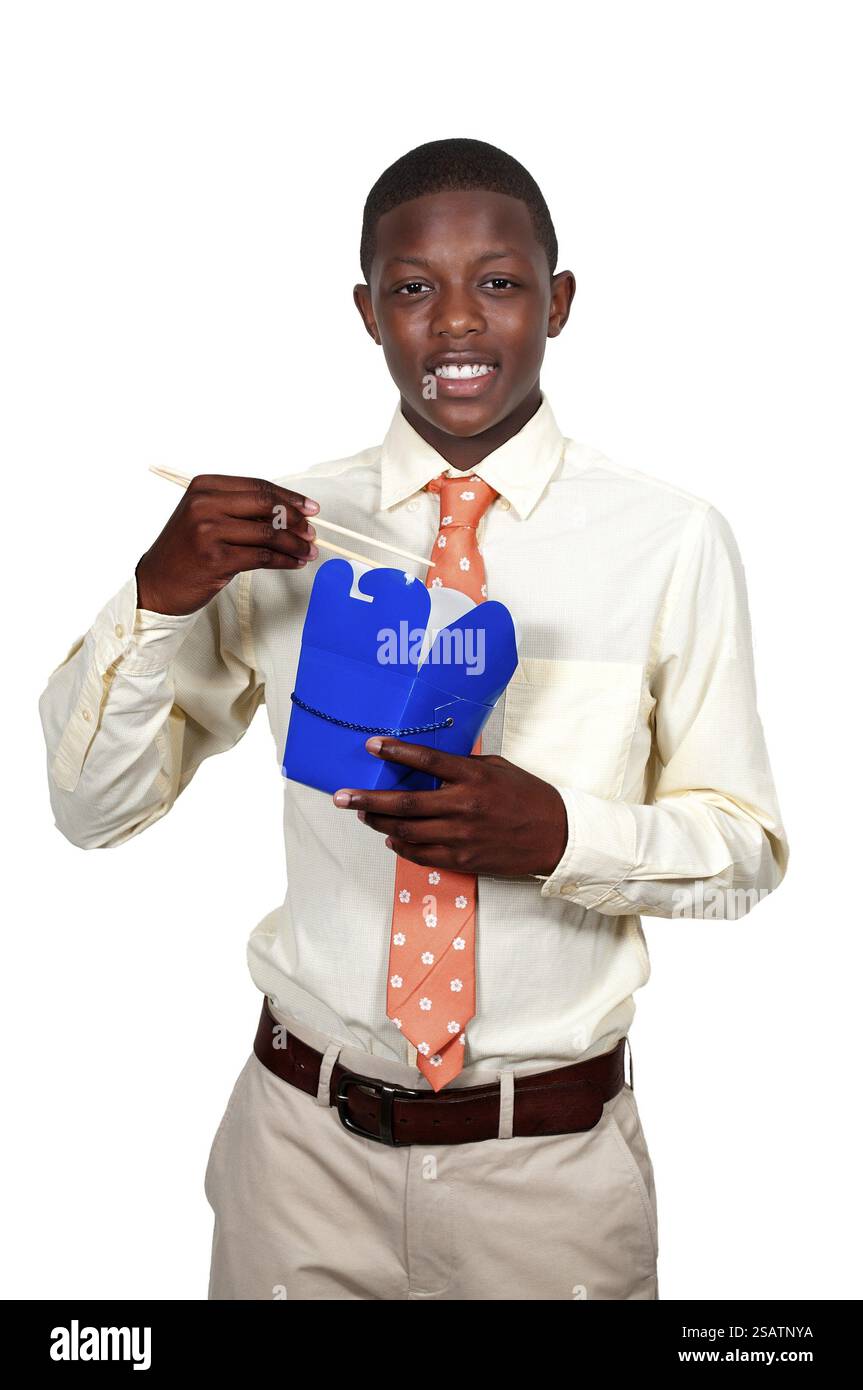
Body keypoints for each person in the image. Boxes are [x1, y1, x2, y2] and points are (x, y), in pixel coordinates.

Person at [38, 138, 788, 1301]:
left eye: (496, 283)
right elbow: (91, 812)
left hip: (547, 1178)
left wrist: (559, 838)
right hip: (299, 1163)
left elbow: (743, 855)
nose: (453, 324)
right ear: (365, 310)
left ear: (558, 300)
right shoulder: (277, 532)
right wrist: (155, 592)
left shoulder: (668, 541)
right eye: (410, 287)